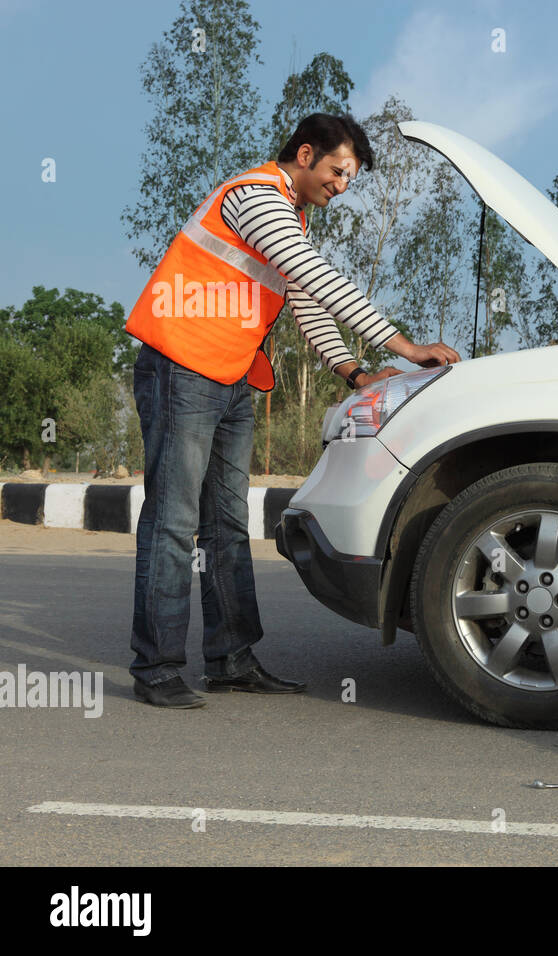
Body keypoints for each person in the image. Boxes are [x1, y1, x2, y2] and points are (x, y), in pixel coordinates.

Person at [125, 113, 461, 708]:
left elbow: (303, 298)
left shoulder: (292, 216)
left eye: (350, 178)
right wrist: (404, 346)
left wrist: (353, 371)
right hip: (181, 369)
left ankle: (230, 658)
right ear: (305, 154)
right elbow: (316, 276)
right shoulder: (254, 197)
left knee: (227, 524)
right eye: (338, 171)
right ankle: (156, 667)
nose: (342, 185)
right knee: (175, 522)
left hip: (230, 377)